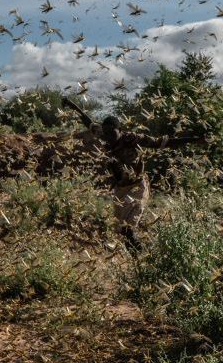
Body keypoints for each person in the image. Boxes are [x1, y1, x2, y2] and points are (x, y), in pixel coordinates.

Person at [63, 98, 204, 254]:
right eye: (107, 133)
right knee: (121, 230)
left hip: (137, 186)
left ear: (120, 129)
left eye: (113, 132)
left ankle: (144, 259)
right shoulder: (103, 133)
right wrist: (70, 104)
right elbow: (86, 120)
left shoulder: (131, 138)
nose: (110, 136)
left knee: (129, 229)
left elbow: (160, 143)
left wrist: (193, 140)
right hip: (120, 188)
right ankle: (138, 259)